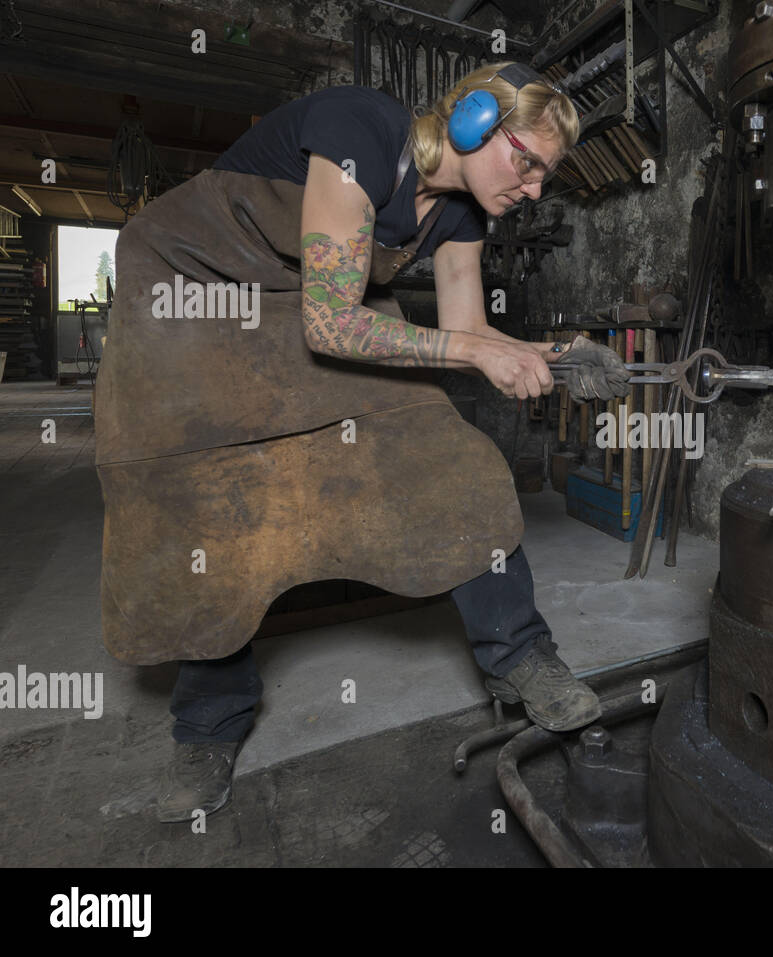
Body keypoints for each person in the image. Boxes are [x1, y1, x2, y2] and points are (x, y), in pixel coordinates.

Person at [92, 63, 631, 823]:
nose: (535, 189)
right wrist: (477, 354)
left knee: (454, 456)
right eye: (528, 161)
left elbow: (468, 333)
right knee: (206, 513)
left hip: (312, 309)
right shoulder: (360, 132)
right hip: (193, 299)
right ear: (474, 121)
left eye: (548, 175)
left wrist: (556, 357)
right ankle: (208, 726)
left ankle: (521, 656)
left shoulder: (462, 217)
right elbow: (335, 324)